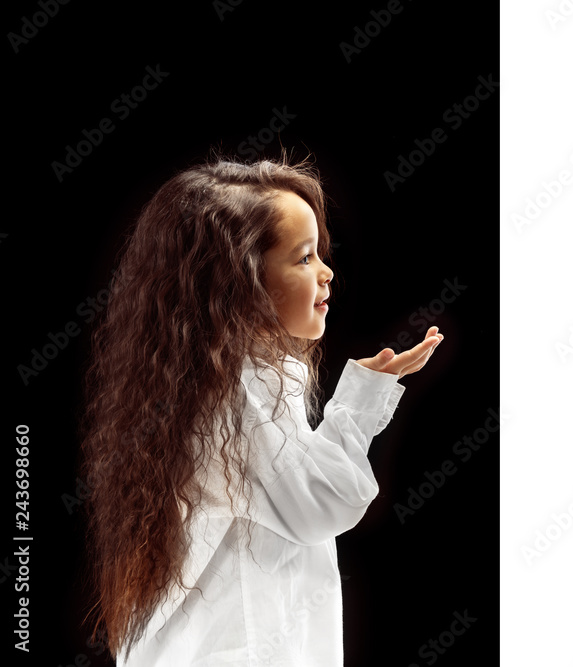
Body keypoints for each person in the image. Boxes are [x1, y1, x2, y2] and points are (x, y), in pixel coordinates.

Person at [77, 154, 443, 665]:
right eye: (303, 258)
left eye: (320, 254)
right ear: (241, 282)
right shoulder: (242, 385)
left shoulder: (222, 373)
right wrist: (359, 400)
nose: (326, 272)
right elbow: (321, 502)